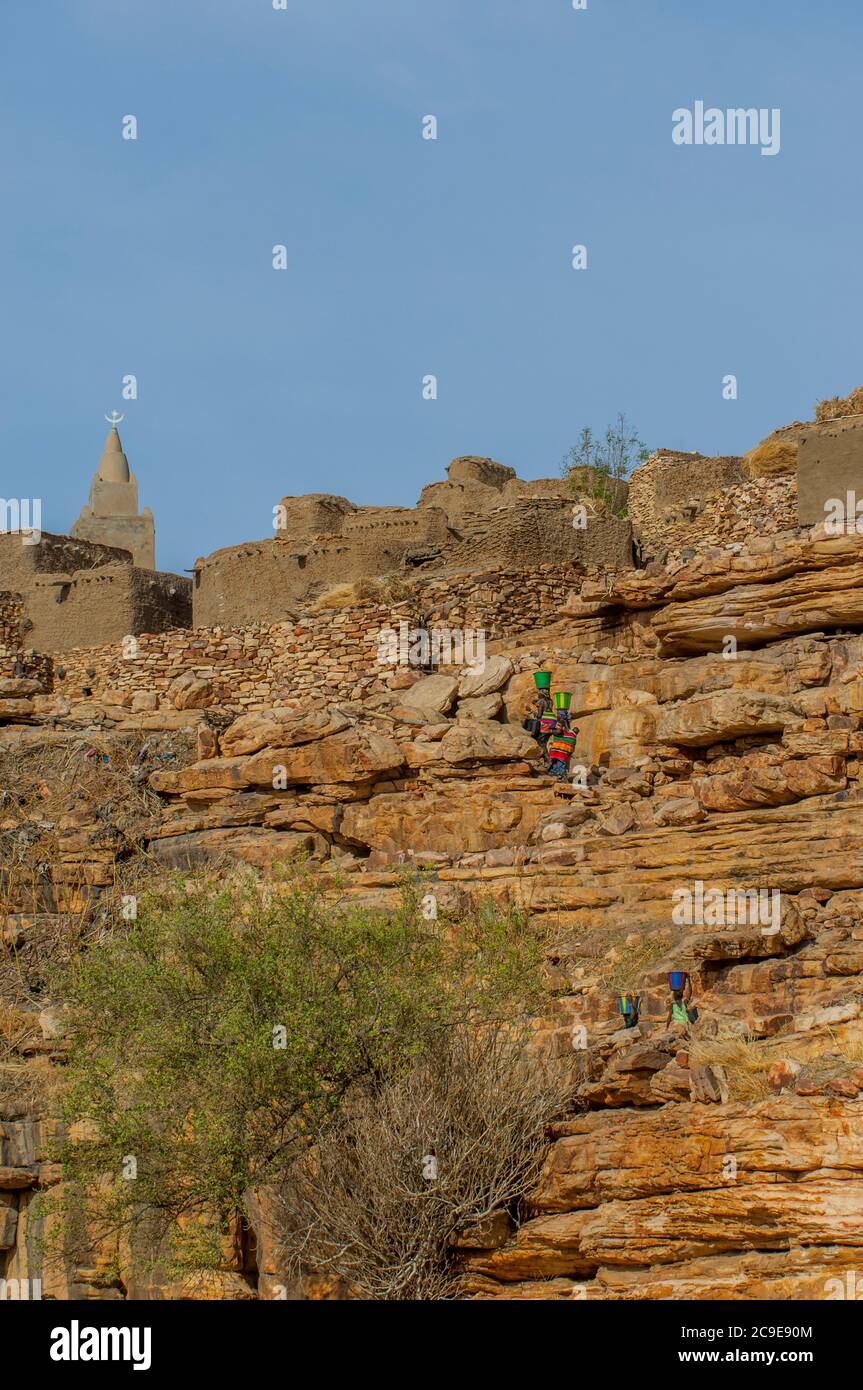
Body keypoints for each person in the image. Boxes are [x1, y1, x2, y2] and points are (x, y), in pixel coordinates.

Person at [547, 693, 578, 780]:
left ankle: (561, 775)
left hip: (561, 747)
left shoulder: (561, 723)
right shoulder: (566, 724)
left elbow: (559, 731)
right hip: (565, 748)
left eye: (559, 714)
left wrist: (550, 731)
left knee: (559, 761)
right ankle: (559, 774)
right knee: (561, 761)